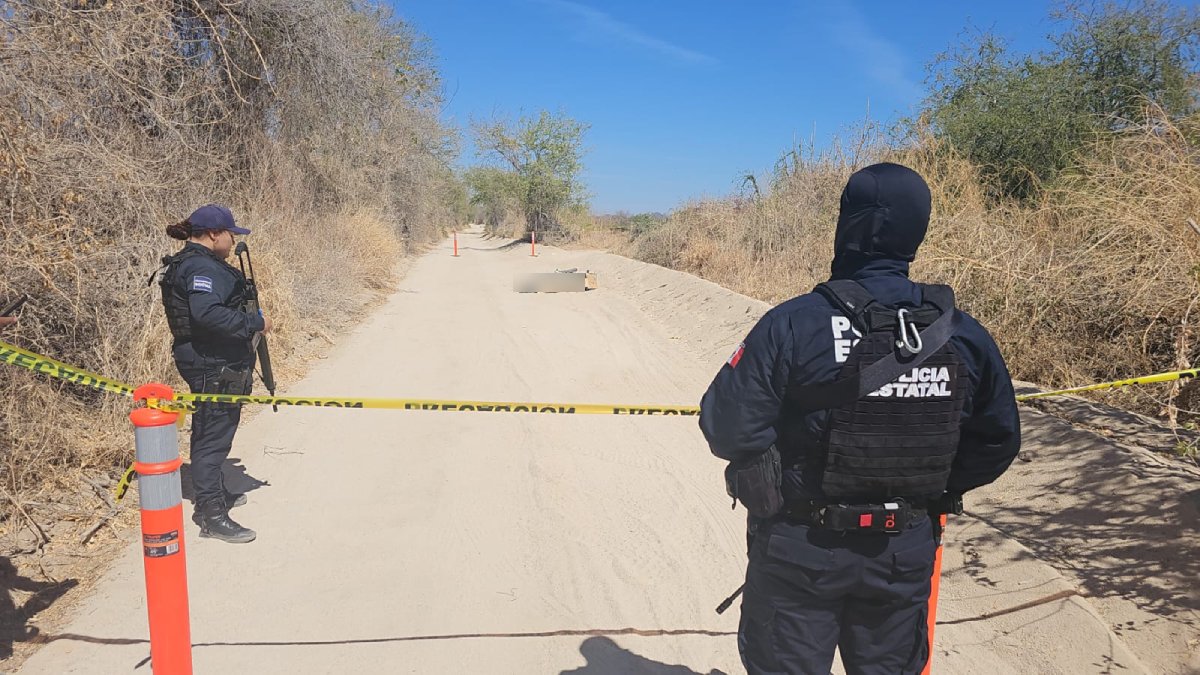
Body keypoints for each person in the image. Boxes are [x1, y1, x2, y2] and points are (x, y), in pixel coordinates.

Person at [699, 163, 1021, 675]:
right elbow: (997, 441)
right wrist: (927, 481)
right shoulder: (963, 335)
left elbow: (727, 427)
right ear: (917, 229)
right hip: (903, 550)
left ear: (847, 224)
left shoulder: (793, 323)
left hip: (800, 547)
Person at [159, 204, 271, 544]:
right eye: (230, 234)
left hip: (211, 360)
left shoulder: (196, 262)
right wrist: (254, 323)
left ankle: (213, 494)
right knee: (213, 436)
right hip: (210, 363)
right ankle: (211, 515)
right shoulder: (199, 267)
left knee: (212, 429)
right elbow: (207, 314)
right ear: (213, 234)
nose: (232, 240)